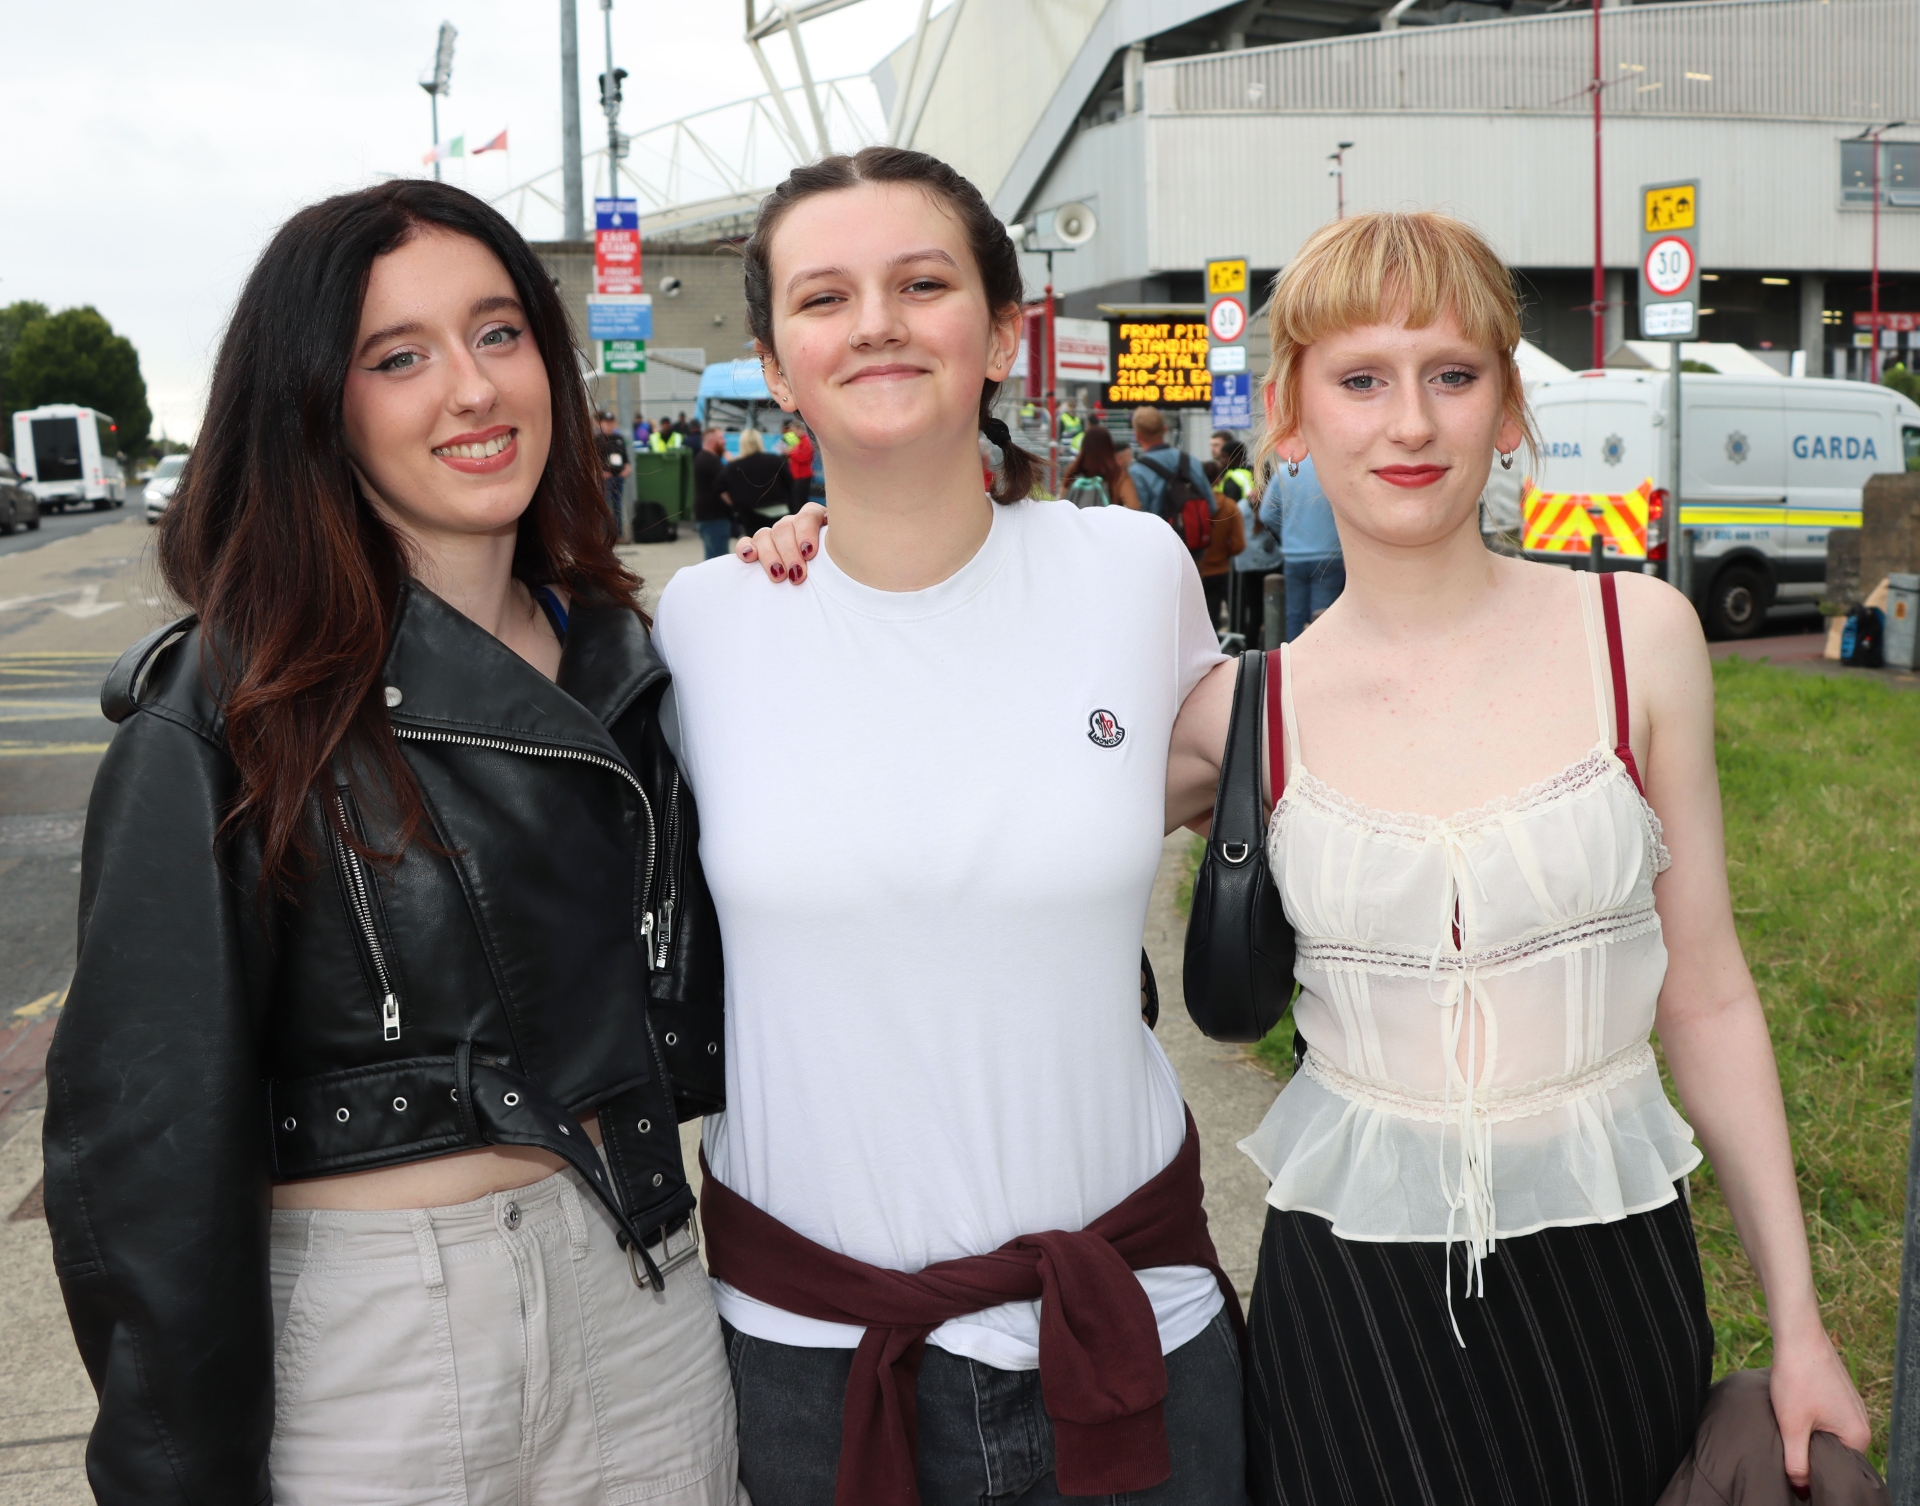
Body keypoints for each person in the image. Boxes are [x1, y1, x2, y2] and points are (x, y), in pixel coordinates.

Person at [41, 180, 742, 1504]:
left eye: (499, 333)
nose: (471, 391)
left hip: (639, 1293)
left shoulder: (636, 662)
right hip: (375, 1345)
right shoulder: (221, 709)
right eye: (398, 356)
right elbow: (145, 1148)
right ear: (316, 403)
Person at [1160, 210, 1870, 1503]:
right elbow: (989, 808)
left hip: (1609, 1274)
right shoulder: (1238, 710)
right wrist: (820, 547)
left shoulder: (1637, 635)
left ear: (1507, 407)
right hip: (1352, 1303)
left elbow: (1705, 992)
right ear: (1290, 416)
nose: (1411, 423)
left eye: (1453, 373)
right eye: (1362, 378)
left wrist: (1802, 1326)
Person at [654, 145, 1244, 1506]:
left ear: (1001, 334)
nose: (875, 321)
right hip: (814, 1363)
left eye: (922, 282)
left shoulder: (1129, 571)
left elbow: (1247, 763)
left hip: (1125, 1328)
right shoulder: (704, 626)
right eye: (824, 297)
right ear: (774, 360)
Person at [1259, 451, 1343, 641]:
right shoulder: (1334, 469)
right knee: (1324, 615)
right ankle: (1322, 664)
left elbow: (1266, 515)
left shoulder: (1284, 471)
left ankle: (1292, 664)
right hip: (1329, 554)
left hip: (1293, 554)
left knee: (1293, 615)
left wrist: (1286, 534)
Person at [1128, 405, 1213, 559]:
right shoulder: (1190, 461)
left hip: (1159, 552)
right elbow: (1211, 506)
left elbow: (1138, 519)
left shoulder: (1137, 471)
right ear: (1165, 429)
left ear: (1137, 435)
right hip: (1193, 548)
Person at [1229, 459, 1282, 646]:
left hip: (1247, 563)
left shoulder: (1243, 505)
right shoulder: (1275, 502)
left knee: (1254, 611)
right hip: (1273, 562)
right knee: (1276, 607)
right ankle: (1273, 646)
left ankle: (1251, 648)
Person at [718, 427, 789, 535]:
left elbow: (719, 487)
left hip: (750, 515)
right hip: (779, 511)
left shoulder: (734, 467)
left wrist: (735, 506)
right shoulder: (775, 460)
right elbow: (790, 483)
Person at [1059, 421, 1140, 510]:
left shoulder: (1072, 473)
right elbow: (1134, 506)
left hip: (1076, 523)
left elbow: (1061, 502)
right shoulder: (1118, 475)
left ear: (1084, 446)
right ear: (1109, 447)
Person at [693, 426, 733, 558]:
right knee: (717, 558)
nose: (724, 441)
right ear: (711, 441)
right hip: (713, 517)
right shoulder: (708, 460)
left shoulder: (707, 459)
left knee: (714, 555)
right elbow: (728, 479)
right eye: (721, 438)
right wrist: (732, 463)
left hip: (712, 516)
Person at [595, 406, 629, 521]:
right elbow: (594, 460)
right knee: (606, 505)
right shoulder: (598, 439)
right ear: (602, 423)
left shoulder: (619, 438)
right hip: (606, 478)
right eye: (606, 422)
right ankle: (605, 534)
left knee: (618, 506)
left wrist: (626, 469)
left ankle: (619, 533)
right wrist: (601, 472)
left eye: (611, 422)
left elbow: (625, 458)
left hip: (618, 476)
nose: (609, 425)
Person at [781, 417, 815, 512]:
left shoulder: (806, 442)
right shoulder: (799, 441)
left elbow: (804, 457)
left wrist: (790, 453)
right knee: (797, 500)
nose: (792, 433)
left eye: (793, 430)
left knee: (799, 501)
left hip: (803, 475)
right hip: (798, 475)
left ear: (799, 429)